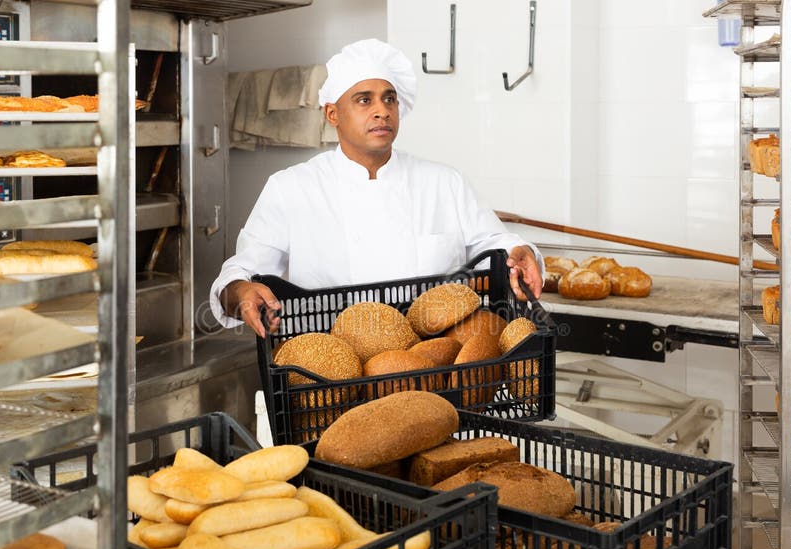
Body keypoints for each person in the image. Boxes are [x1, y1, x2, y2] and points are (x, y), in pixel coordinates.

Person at [211, 38, 544, 337]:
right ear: (332, 114)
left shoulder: (444, 183)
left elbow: (496, 248)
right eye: (364, 100)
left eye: (389, 99)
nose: (382, 111)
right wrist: (240, 291)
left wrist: (519, 253)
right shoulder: (291, 189)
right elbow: (241, 274)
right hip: (327, 382)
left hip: (433, 375)